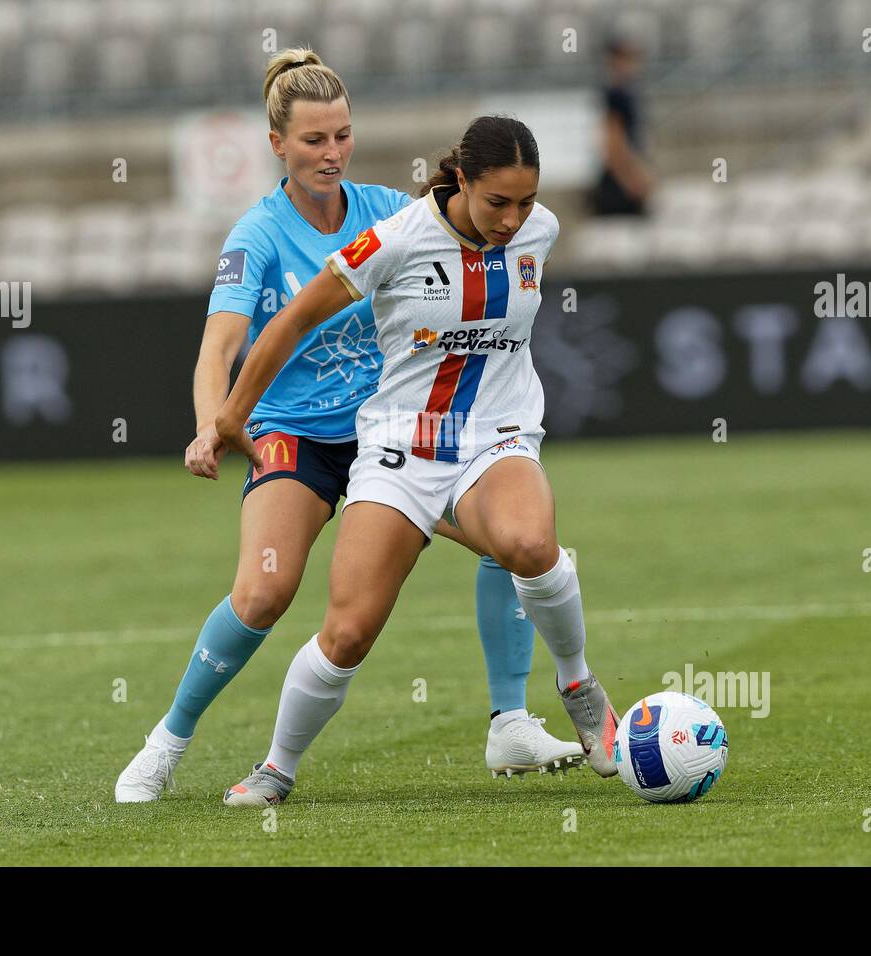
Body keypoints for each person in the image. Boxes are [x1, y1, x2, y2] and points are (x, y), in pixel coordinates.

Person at [115, 52, 581, 803]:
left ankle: (512, 720)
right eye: (313, 141)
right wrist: (212, 424)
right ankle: (167, 739)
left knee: (518, 541)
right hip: (294, 436)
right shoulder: (257, 236)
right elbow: (222, 347)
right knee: (264, 594)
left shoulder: (387, 213)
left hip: (390, 433)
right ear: (277, 145)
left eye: (342, 136)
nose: (332, 154)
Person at [212, 115, 621, 807]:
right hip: (402, 446)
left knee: (528, 542)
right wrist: (231, 413)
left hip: (498, 434)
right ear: (461, 179)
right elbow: (291, 320)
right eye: (498, 202)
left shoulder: (539, 232)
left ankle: (580, 687)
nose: (513, 218)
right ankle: (277, 767)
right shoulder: (396, 239)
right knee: (347, 633)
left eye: (526, 201)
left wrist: (522, 219)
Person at [591, 36, 654, 217]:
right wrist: (630, 178)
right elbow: (613, 141)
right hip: (620, 180)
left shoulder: (629, 92)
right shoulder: (615, 94)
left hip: (628, 171)